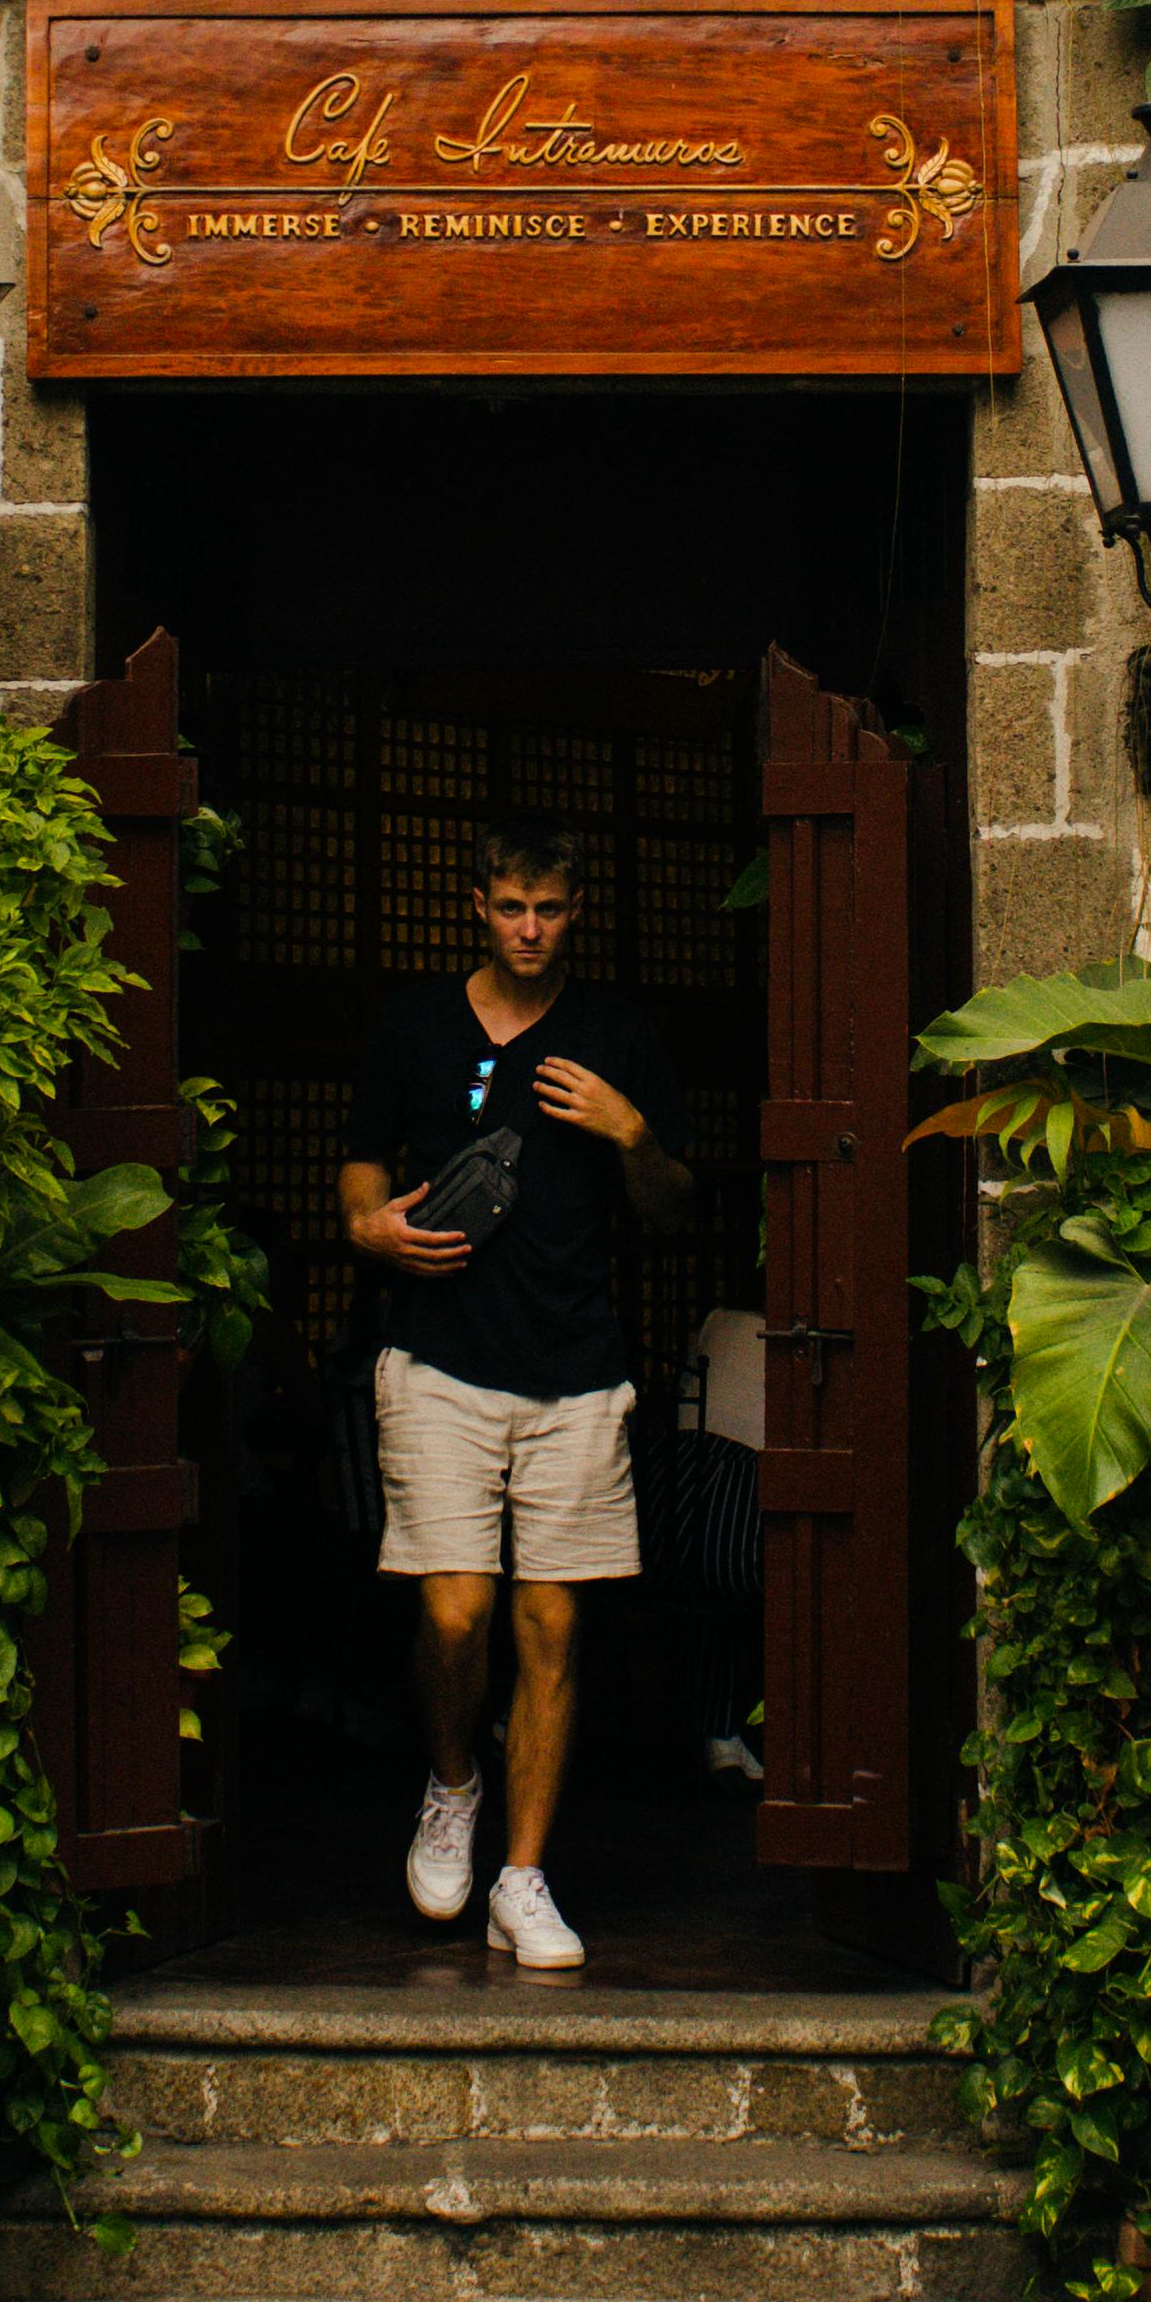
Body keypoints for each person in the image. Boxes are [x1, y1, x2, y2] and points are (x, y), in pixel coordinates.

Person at [339, 815, 692, 1972]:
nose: (529, 929)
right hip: (438, 1359)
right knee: (455, 1612)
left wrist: (632, 1130)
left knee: (551, 1625)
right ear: (476, 905)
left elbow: (672, 1207)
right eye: (509, 908)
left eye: (548, 909)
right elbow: (362, 1157)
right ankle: (453, 1784)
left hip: (577, 1371)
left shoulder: (616, 1034)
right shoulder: (415, 1023)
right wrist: (367, 1227)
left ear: (576, 909)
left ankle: (523, 1878)